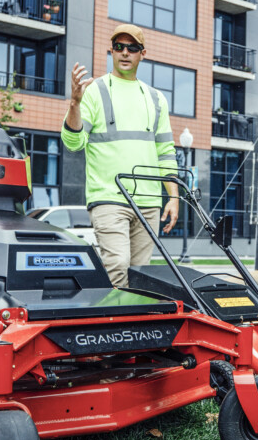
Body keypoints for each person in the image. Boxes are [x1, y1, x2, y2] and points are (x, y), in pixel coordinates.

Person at [61, 24, 179, 288]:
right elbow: (73, 143)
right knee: (117, 266)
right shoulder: (94, 91)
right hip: (109, 198)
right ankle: (112, 325)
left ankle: (135, 326)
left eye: (132, 48)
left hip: (148, 202)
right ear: (111, 51)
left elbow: (166, 153)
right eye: (119, 47)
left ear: (142, 53)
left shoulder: (156, 98)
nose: (125, 53)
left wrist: (173, 196)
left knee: (141, 276)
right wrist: (75, 104)